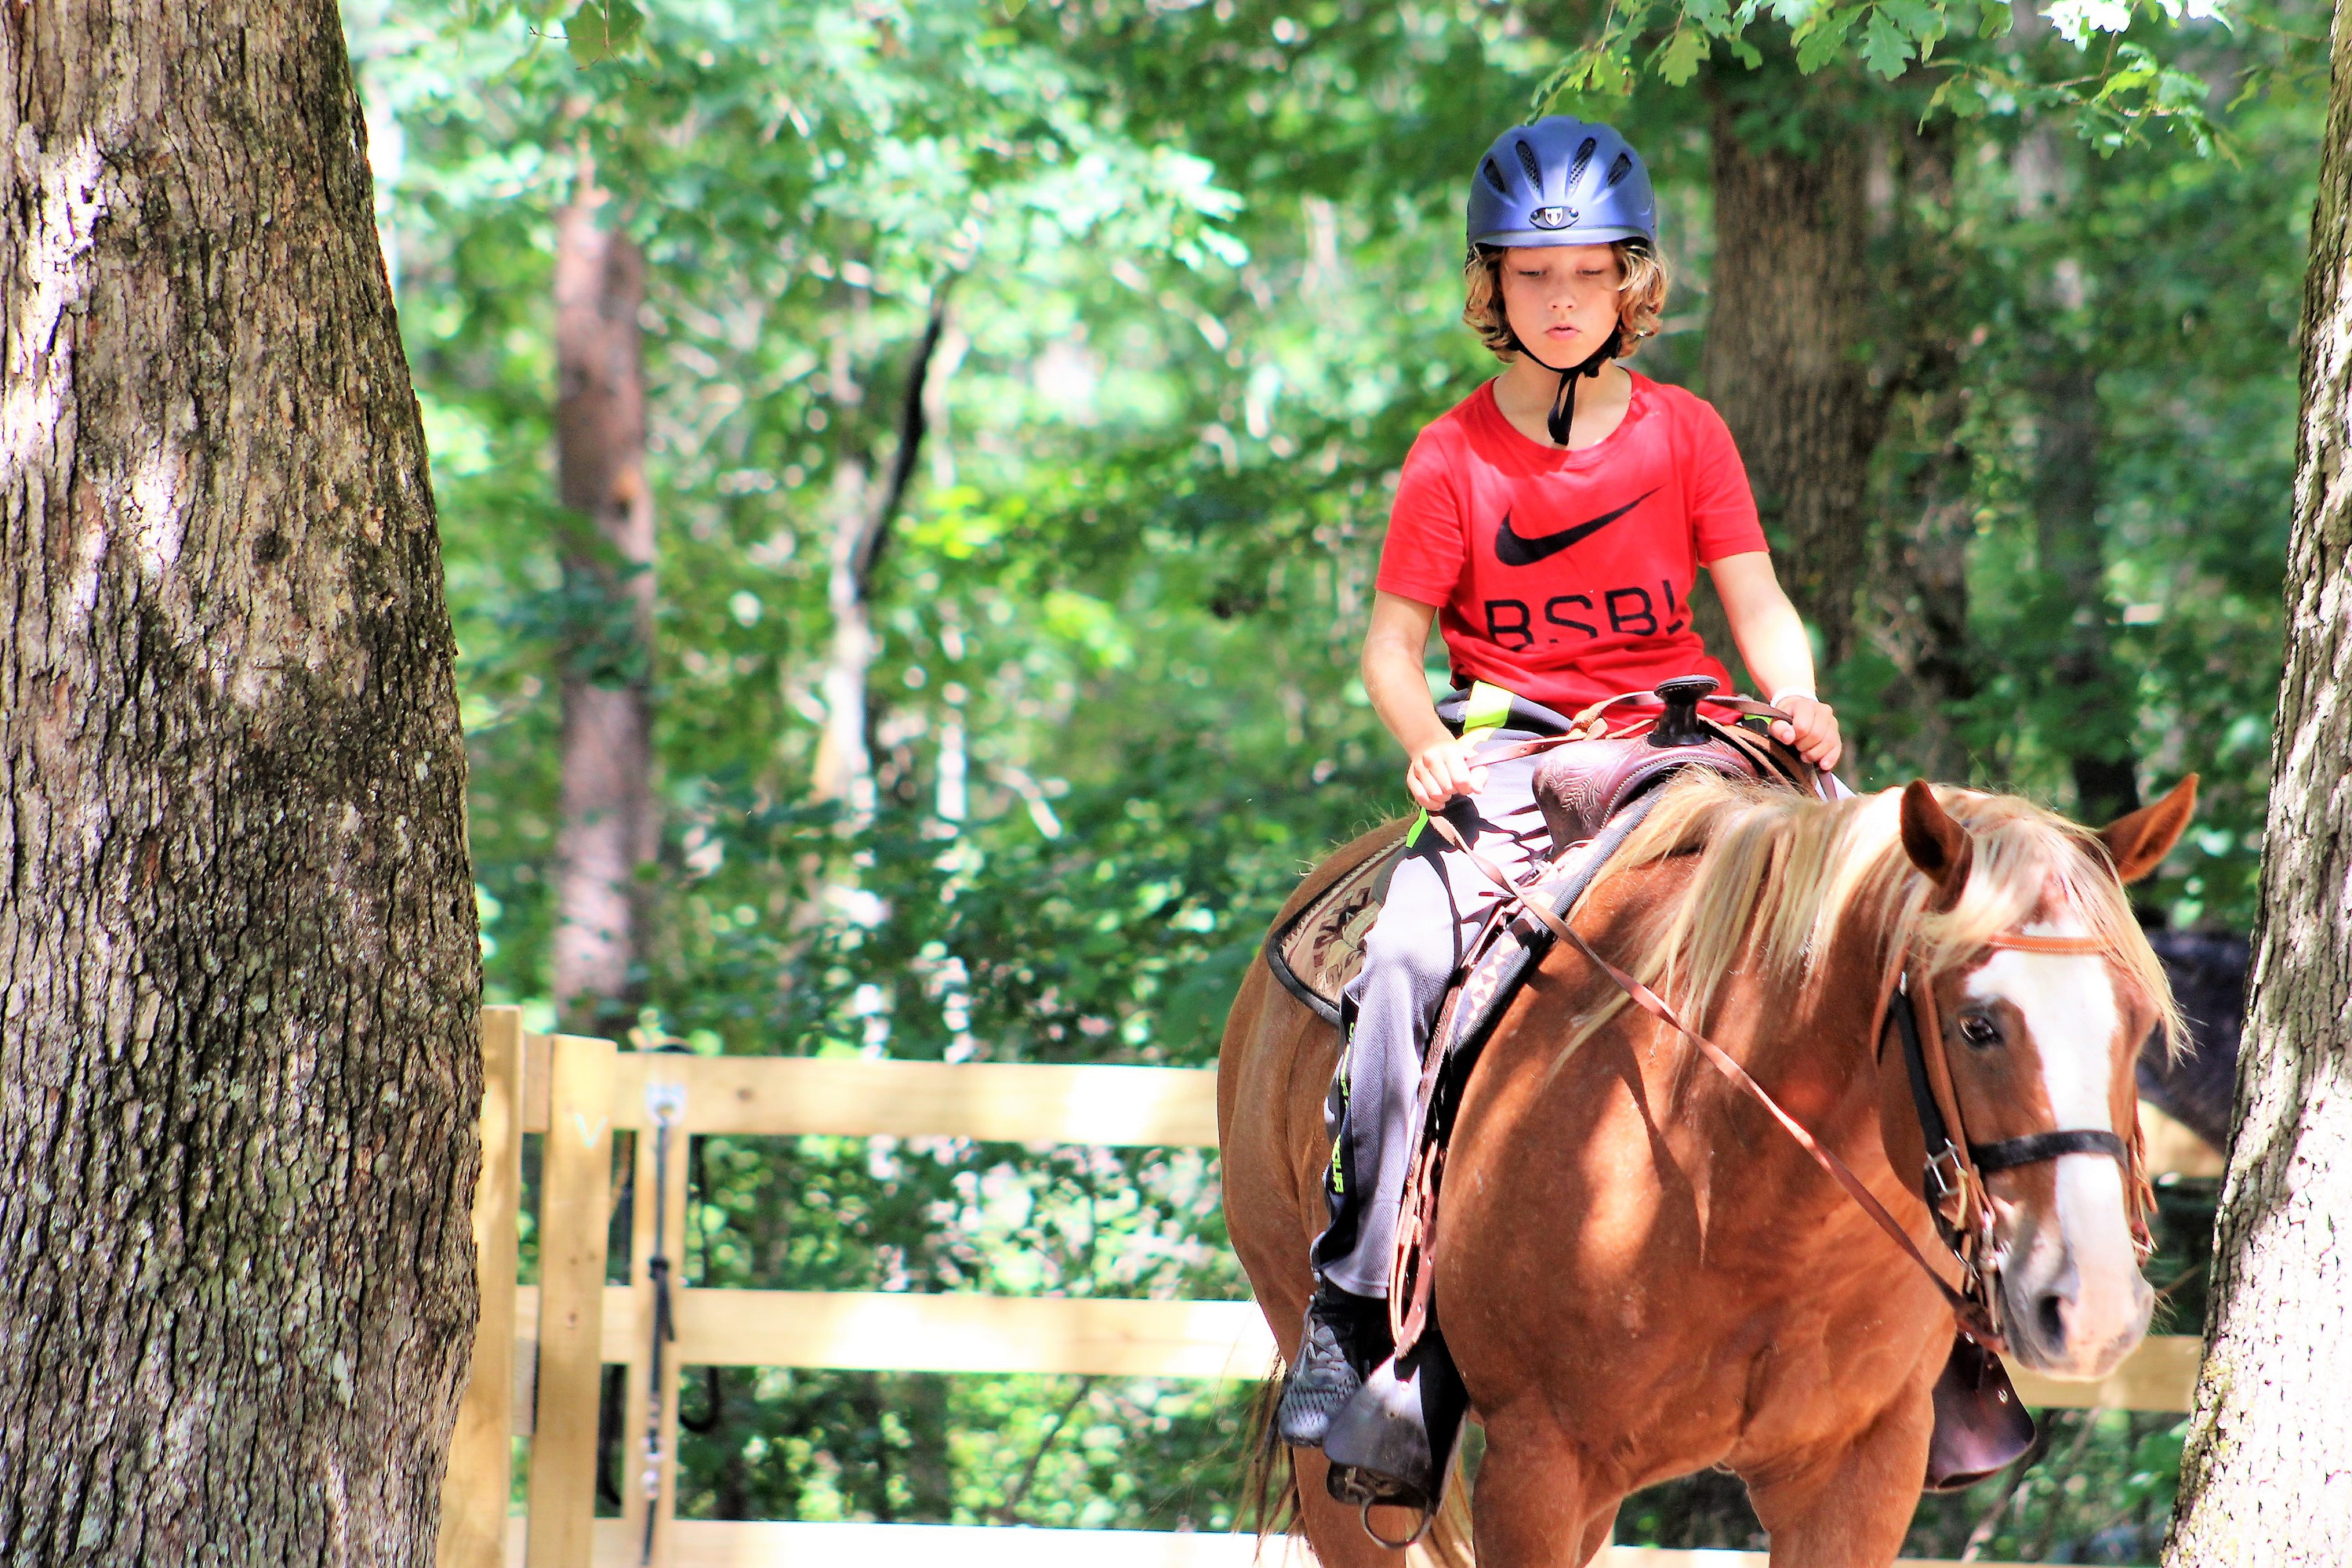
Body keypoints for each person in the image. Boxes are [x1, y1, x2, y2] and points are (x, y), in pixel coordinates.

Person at [1276, 116, 1846, 1453]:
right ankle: (1357, 1304)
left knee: (1874, 913)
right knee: (1405, 960)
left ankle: (1949, 1312)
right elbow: (1390, 648)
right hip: (1515, 758)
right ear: (1492, 287)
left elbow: (1757, 599)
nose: (1564, 298)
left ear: (1632, 282)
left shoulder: (1688, 432)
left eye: (1589, 272)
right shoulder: (1451, 456)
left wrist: (1800, 696)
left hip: (1685, 742)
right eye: (1534, 275)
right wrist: (1422, 739)